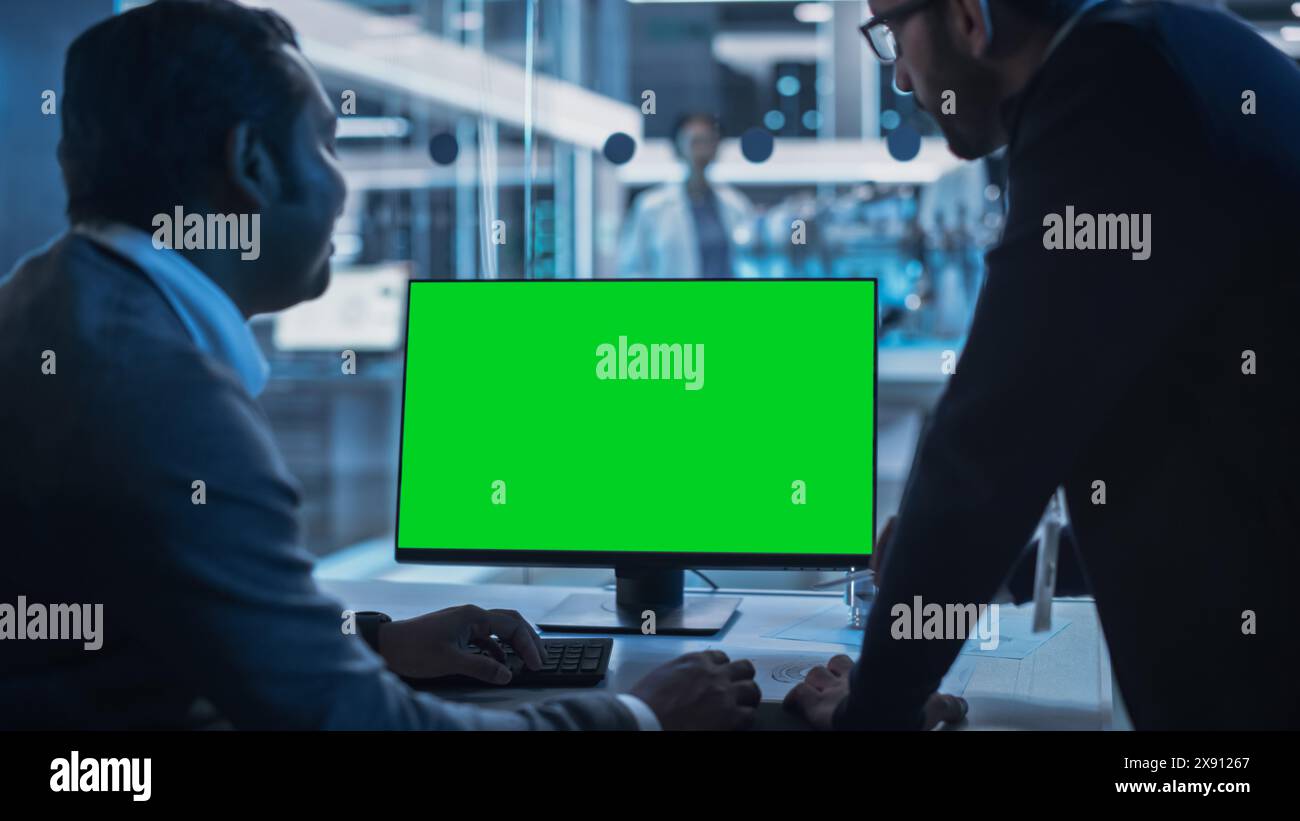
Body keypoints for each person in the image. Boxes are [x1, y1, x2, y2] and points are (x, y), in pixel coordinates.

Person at [0, 0, 759, 731]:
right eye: (328, 144)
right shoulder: (161, 394)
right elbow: (352, 724)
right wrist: (640, 714)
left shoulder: (46, 304)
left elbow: (189, 633)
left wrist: (376, 642)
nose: (342, 185)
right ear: (251, 163)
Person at [786, 0, 1300, 730]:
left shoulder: (1110, 85)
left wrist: (868, 715)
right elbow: (1187, 438)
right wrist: (1016, 571)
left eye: (893, 34)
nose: (899, 75)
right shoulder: (1177, 44)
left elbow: (988, 447)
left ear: (968, 16)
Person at [617, 113, 754, 278]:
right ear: (678, 147)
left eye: (708, 142)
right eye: (695, 142)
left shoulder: (735, 204)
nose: (702, 150)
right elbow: (632, 268)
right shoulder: (651, 207)